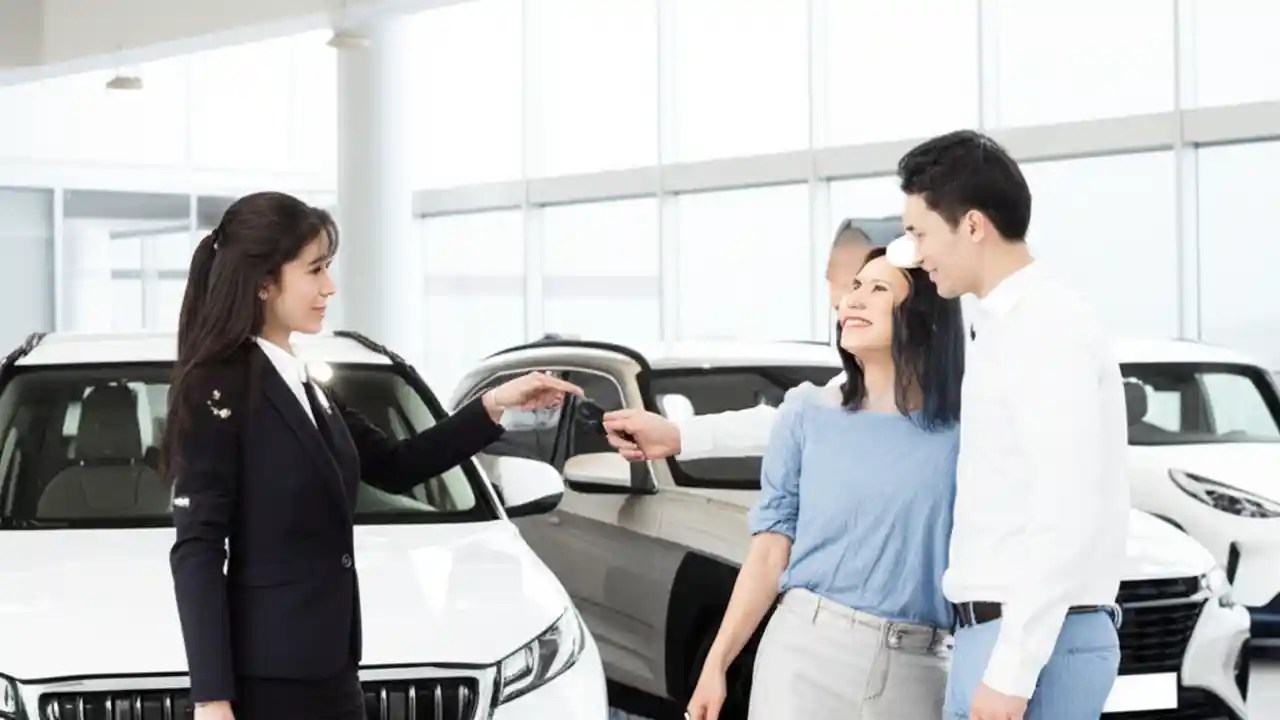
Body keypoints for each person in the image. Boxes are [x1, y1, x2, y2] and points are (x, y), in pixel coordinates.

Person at [162, 191, 582, 720]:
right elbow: (197, 547)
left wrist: (494, 404)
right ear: (264, 283)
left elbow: (397, 463)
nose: (329, 287)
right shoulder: (217, 389)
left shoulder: (304, 383)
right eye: (315, 270)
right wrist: (211, 698)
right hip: (270, 680)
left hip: (332, 666)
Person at [895, 130, 1128, 720]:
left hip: (1029, 646)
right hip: (998, 637)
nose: (915, 253)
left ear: (972, 226)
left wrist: (1011, 672)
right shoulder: (998, 324)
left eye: (920, 232)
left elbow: (1063, 508)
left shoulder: (1044, 326)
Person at [685, 246, 965, 720]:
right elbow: (770, 551)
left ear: (923, 316)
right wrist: (717, 663)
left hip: (920, 666)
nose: (853, 300)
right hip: (803, 651)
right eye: (854, 287)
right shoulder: (806, 412)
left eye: (879, 289)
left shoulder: (964, 431)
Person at [602, 220, 875, 460]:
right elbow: (791, 423)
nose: (843, 302)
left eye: (873, 287)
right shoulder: (852, 387)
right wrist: (675, 434)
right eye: (847, 286)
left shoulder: (910, 397)